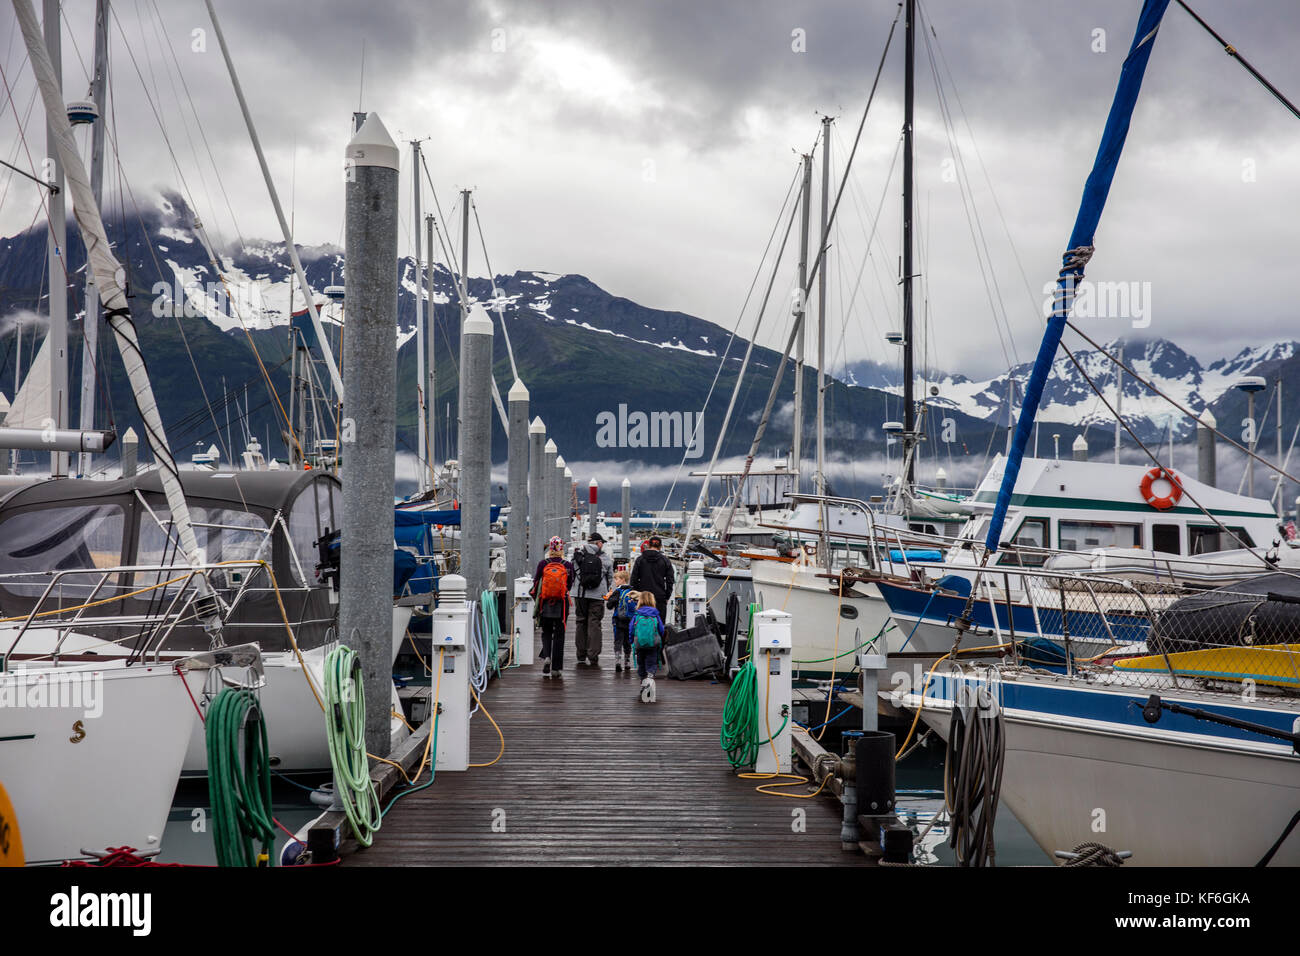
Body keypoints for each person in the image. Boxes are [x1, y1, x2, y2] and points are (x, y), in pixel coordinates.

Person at [530, 536, 573, 678]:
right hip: (562, 603)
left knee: (546, 631)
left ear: (550, 547)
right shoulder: (567, 565)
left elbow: (536, 583)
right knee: (560, 634)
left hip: (545, 603)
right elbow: (569, 585)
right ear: (561, 548)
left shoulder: (543, 563)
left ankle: (547, 656)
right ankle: (556, 668)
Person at [571, 532, 614, 666]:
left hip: (580, 594)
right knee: (594, 623)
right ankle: (593, 656)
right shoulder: (605, 559)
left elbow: (572, 573)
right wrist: (606, 592)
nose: (602, 545)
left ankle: (581, 655)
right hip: (597, 596)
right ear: (597, 543)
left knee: (580, 622)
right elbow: (610, 578)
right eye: (602, 542)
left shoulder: (578, 556)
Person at [630, 535, 675, 626]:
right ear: (660, 546)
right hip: (659, 596)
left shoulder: (640, 559)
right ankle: (659, 639)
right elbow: (670, 580)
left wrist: (636, 594)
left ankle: (643, 639)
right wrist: (667, 595)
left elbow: (634, 578)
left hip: (643, 596)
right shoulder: (665, 560)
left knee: (642, 621)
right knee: (659, 623)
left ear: (649, 545)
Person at [630, 590, 665, 703]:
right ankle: (650, 677)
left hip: (639, 644)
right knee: (651, 662)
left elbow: (631, 629)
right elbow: (661, 629)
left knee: (641, 663)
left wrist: (632, 641)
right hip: (653, 644)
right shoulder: (655, 614)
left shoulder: (637, 614)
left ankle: (643, 682)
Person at [604, 568, 637, 672]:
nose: (615, 581)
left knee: (618, 641)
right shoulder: (633, 591)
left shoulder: (617, 592)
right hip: (630, 621)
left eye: (616, 579)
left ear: (622, 579)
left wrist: (609, 598)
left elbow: (609, 606)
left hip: (618, 620)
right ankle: (627, 661)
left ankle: (618, 661)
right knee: (628, 641)